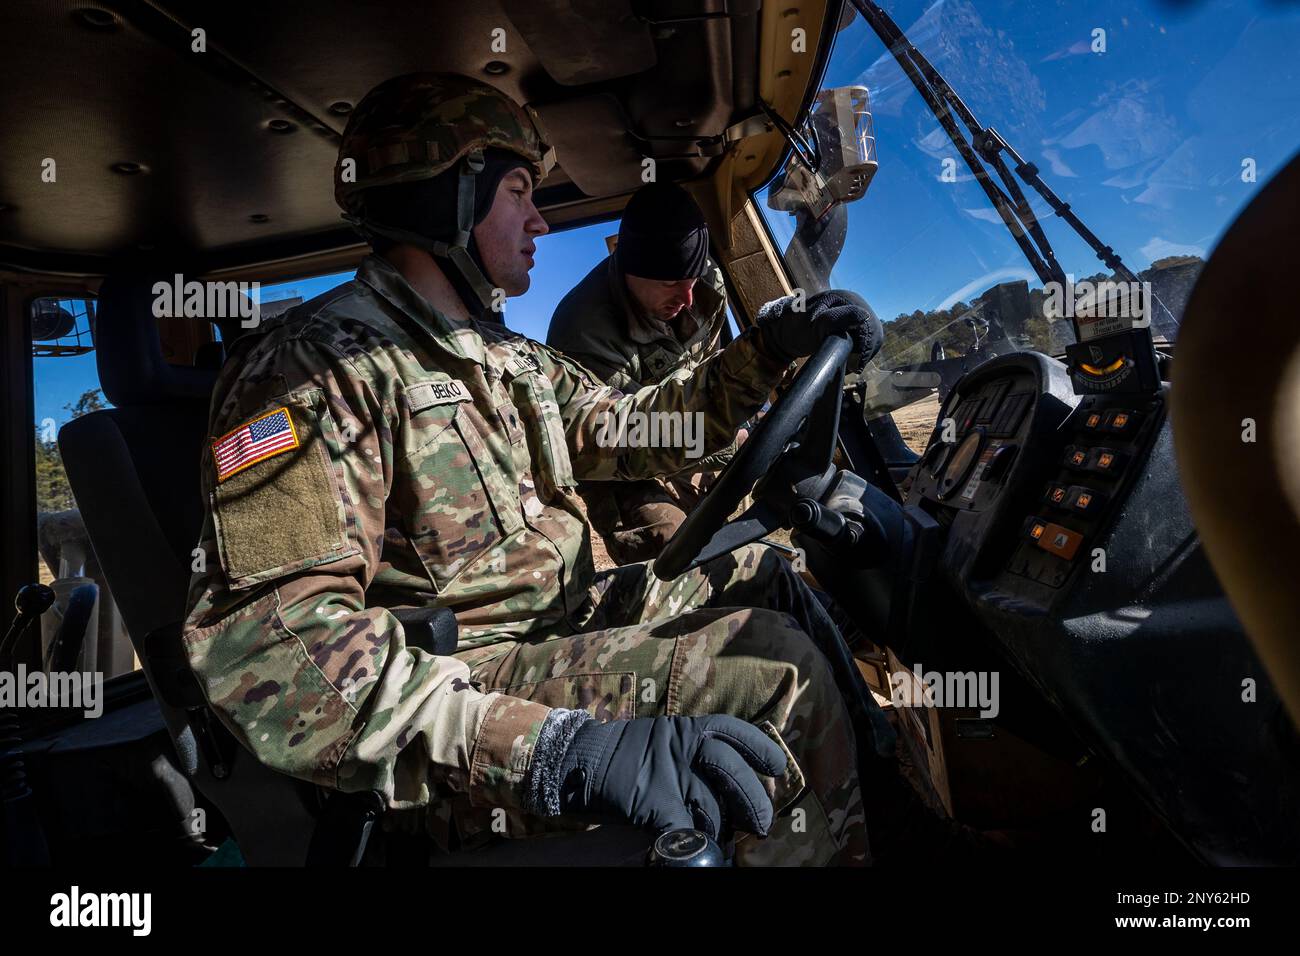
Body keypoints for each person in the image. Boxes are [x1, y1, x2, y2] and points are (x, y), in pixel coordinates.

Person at [182, 72, 886, 866]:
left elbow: (634, 427)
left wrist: (771, 348)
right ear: (444, 198)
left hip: (569, 616)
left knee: (769, 572)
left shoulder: (507, 356)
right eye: (518, 191)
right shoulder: (310, 367)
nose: (541, 220)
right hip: (471, 687)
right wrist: (550, 751)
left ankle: (888, 802)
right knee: (776, 666)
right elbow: (273, 648)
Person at [547, 182, 741, 564]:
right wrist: (731, 439)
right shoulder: (583, 331)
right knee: (678, 554)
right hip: (618, 456)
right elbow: (631, 440)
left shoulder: (703, 284)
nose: (687, 299)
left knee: (736, 522)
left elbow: (712, 366)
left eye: (692, 279)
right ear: (630, 268)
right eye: (670, 282)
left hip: (691, 427)